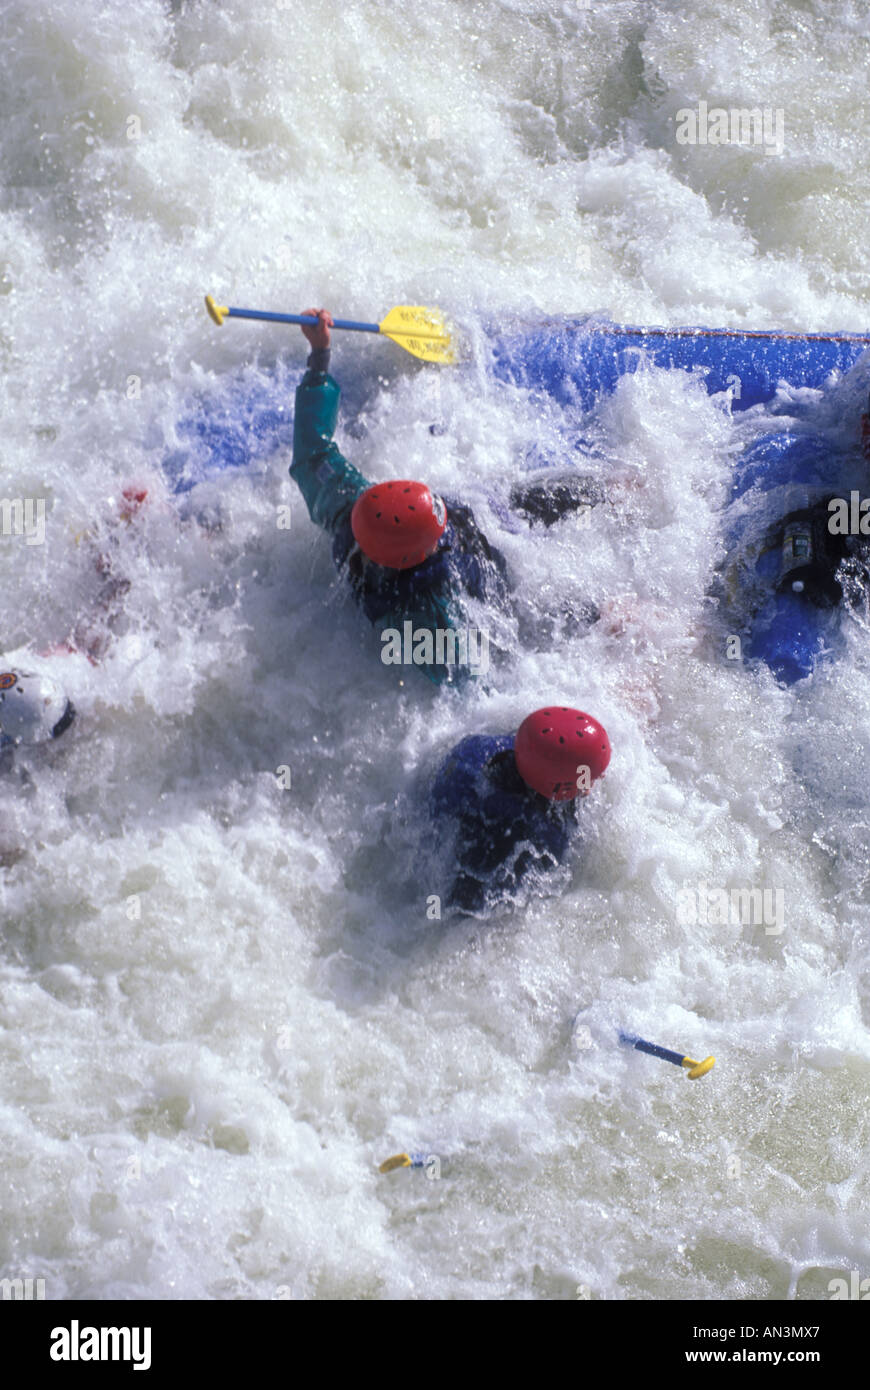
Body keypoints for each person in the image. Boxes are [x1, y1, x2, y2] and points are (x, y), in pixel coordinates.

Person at [289, 309, 514, 685]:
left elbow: (314, 452)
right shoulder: (430, 612)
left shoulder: (347, 506)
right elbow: (467, 683)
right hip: (492, 564)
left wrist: (320, 357)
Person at [428, 704, 611, 914]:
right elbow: (465, 907)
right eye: (590, 777)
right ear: (558, 788)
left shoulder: (497, 747)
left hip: (448, 792)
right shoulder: (534, 833)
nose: (599, 779)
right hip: (470, 852)